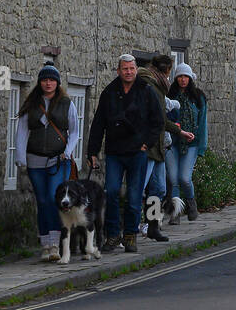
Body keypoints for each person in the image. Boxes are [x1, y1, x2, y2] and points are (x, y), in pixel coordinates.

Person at [87, 53, 162, 253]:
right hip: (115, 151)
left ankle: (130, 235)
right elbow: (98, 123)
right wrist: (92, 151)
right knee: (111, 191)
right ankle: (112, 235)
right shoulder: (109, 92)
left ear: (136, 69)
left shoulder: (146, 91)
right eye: (125, 69)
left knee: (134, 195)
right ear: (118, 70)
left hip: (137, 152)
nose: (128, 72)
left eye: (131, 68)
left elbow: (158, 121)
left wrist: (147, 143)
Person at [13, 62, 79, 261]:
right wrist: (20, 156)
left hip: (59, 159)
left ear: (57, 83)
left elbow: (75, 130)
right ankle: (46, 244)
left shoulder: (67, 103)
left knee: (53, 198)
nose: (48, 83)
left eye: (52, 80)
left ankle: (56, 245)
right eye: (44, 80)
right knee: (42, 201)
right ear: (40, 82)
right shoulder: (31, 104)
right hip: (35, 159)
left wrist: (68, 151)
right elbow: (23, 130)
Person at [136, 53, 180, 243]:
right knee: (137, 189)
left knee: (159, 189)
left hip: (159, 146)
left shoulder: (158, 84)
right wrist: (178, 130)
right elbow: (159, 118)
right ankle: (131, 229)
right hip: (148, 146)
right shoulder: (151, 84)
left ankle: (152, 226)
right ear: (167, 70)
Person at [165, 63, 206, 223]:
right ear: (176, 78)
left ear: (190, 78)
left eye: (185, 77)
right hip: (172, 142)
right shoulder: (170, 95)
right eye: (180, 76)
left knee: (184, 178)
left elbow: (202, 123)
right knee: (173, 179)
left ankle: (191, 203)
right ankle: (176, 212)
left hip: (191, 143)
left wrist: (202, 145)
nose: (183, 80)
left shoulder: (198, 97)